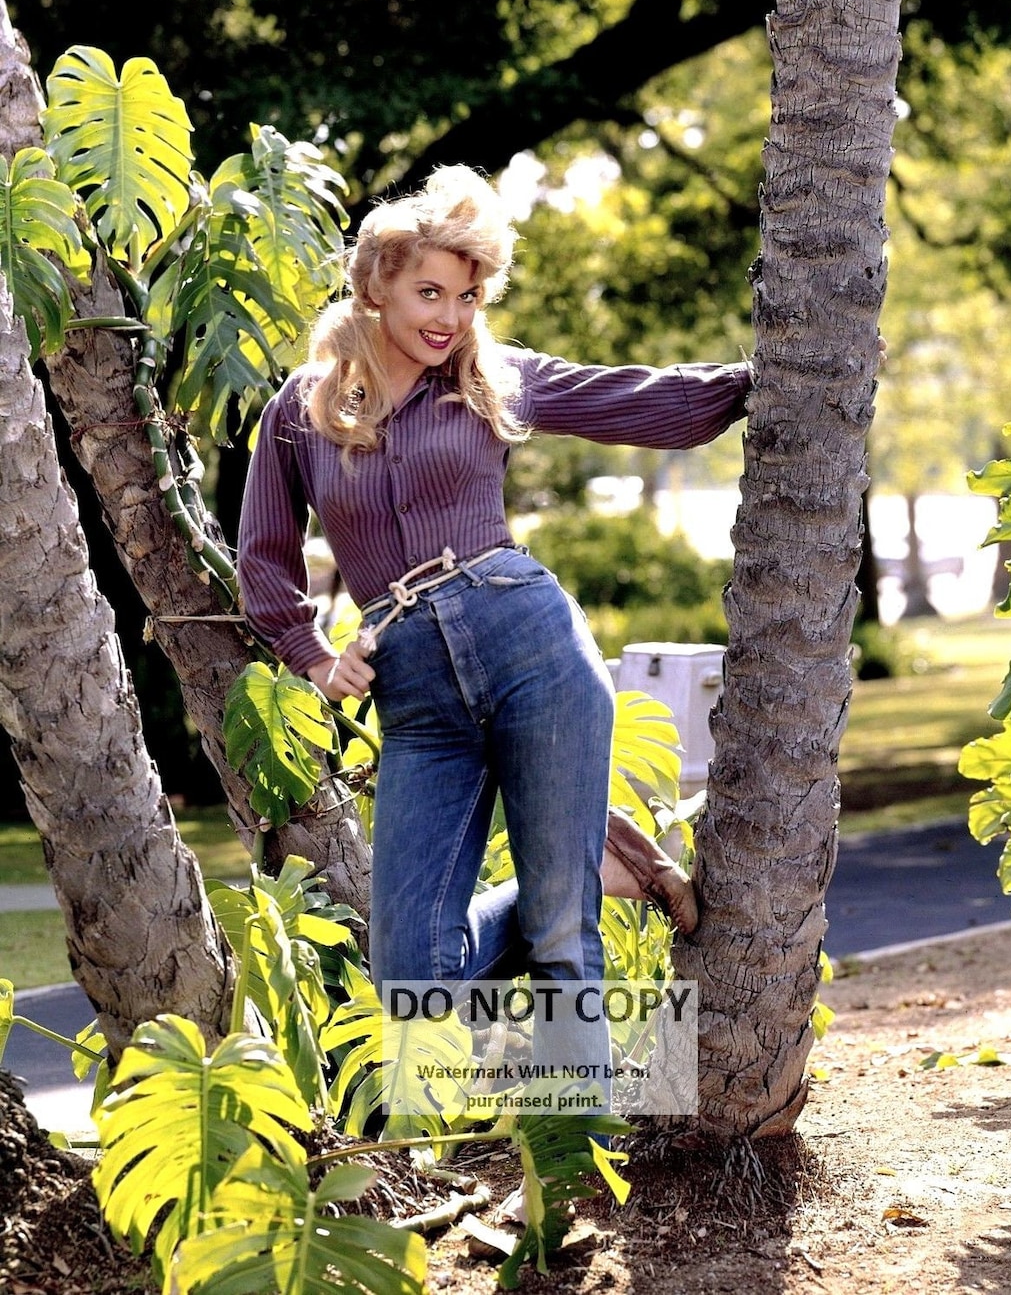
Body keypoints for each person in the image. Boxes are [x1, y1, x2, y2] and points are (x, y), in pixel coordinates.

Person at [236, 164, 753, 1099]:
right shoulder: (300, 413)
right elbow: (264, 561)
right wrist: (314, 656)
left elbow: (651, 407)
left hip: (528, 642)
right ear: (376, 283)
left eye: (468, 295)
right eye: (429, 291)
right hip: (415, 691)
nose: (449, 316)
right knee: (410, 972)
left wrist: (772, 375)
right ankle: (598, 861)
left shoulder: (490, 381)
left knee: (564, 939)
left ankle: (572, 1158)